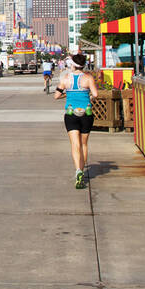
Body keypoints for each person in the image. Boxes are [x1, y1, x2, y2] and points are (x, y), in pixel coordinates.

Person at [53, 51, 100, 189]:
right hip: (87, 113)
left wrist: (67, 95)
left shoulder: (65, 78)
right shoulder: (88, 78)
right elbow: (96, 94)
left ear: (73, 65)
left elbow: (56, 95)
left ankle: (77, 170)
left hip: (71, 113)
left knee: (75, 144)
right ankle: (83, 170)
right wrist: (87, 96)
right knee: (84, 144)